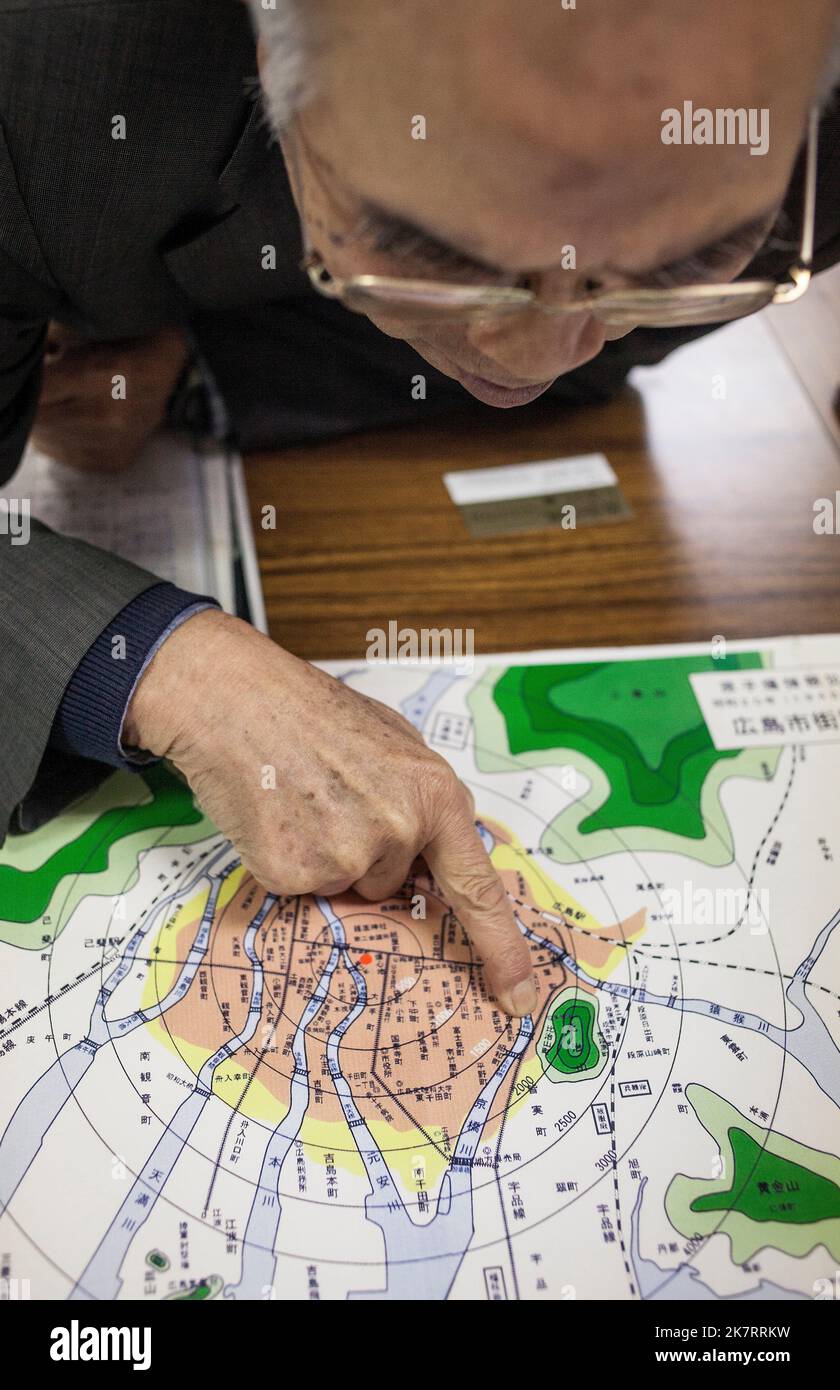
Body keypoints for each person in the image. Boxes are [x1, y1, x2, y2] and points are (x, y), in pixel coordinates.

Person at [1, 0, 839, 1018]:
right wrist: (168, 668)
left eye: (681, 261)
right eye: (439, 254)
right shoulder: (38, 78)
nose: (530, 357)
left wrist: (209, 371)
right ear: (271, 62)